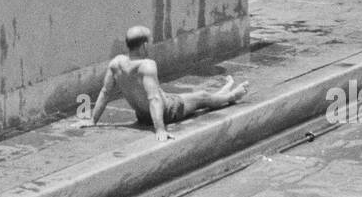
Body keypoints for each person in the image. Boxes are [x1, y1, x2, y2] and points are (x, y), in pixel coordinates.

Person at [87, 25, 248, 141]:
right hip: (168, 111)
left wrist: (92, 121)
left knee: (194, 97)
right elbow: (154, 99)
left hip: (143, 117)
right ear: (144, 45)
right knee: (202, 97)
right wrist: (160, 129)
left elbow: (105, 92)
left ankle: (224, 91)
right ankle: (232, 95)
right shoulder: (146, 65)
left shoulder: (116, 63)